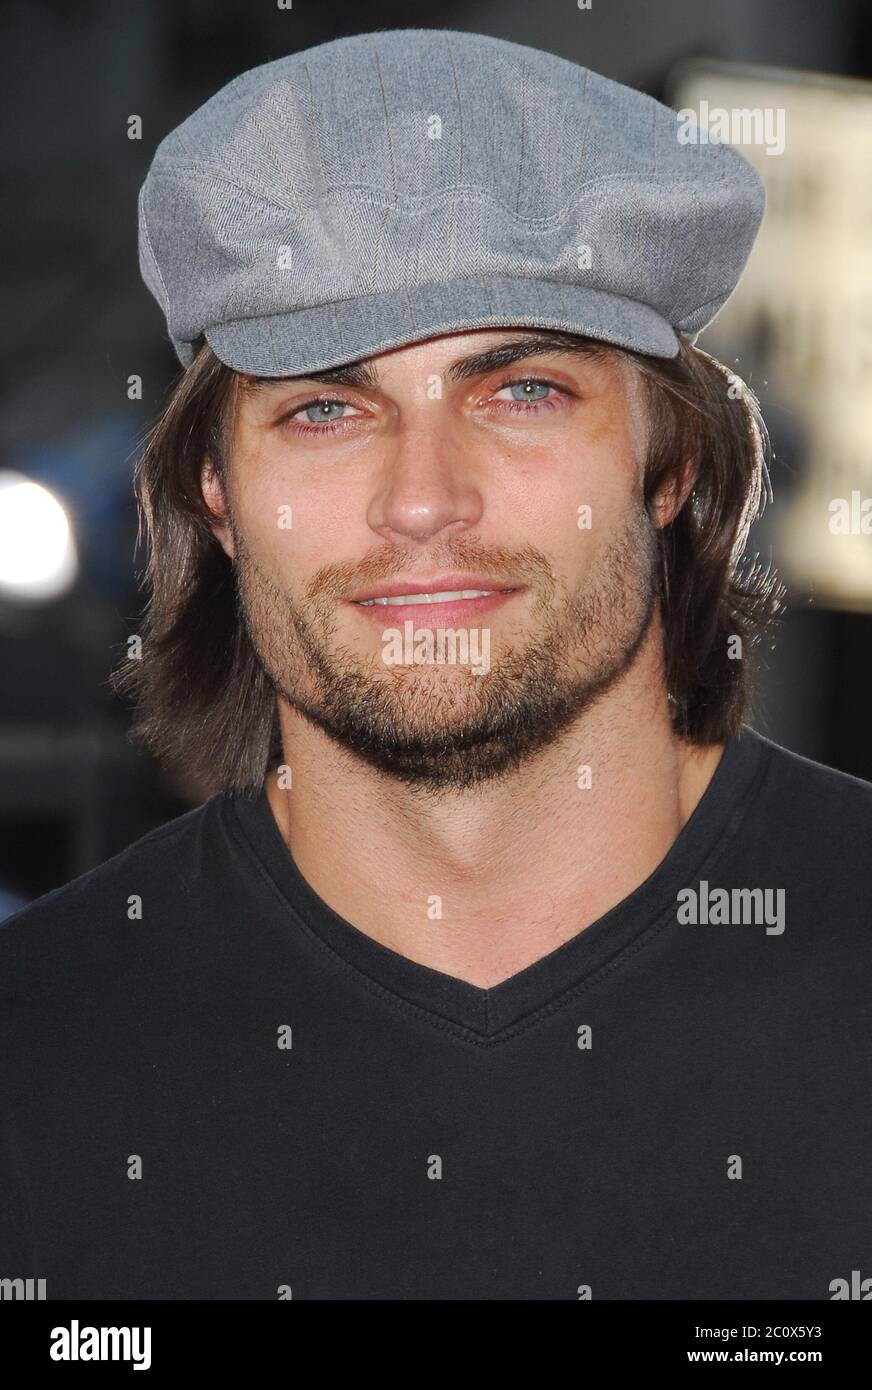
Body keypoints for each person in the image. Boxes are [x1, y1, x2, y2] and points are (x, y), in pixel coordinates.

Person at [2, 28, 870, 1302]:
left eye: (518, 390)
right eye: (324, 409)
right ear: (218, 497)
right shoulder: (36, 1056)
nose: (421, 501)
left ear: (672, 468)